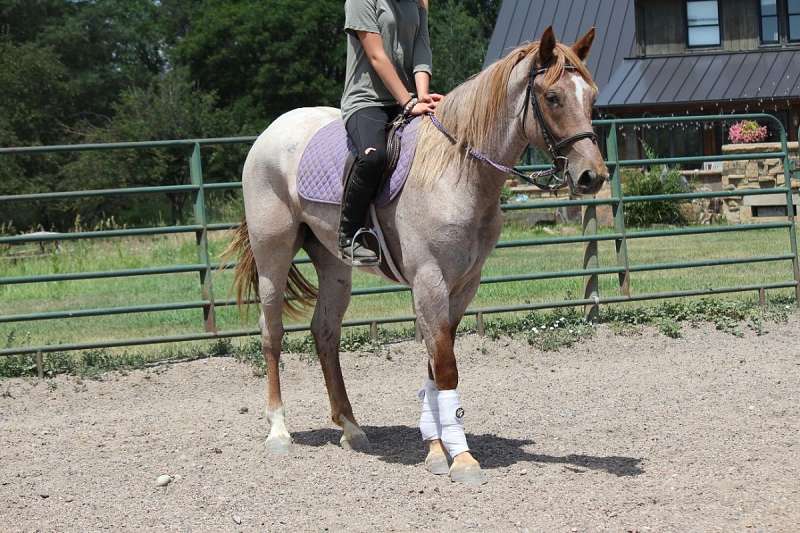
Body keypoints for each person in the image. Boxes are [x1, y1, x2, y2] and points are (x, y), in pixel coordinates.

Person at [339, 0, 442, 265]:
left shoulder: (419, 2)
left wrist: (422, 96)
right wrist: (408, 103)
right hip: (366, 100)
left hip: (407, 98)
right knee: (374, 157)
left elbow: (422, 49)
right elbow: (377, 56)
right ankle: (348, 236)